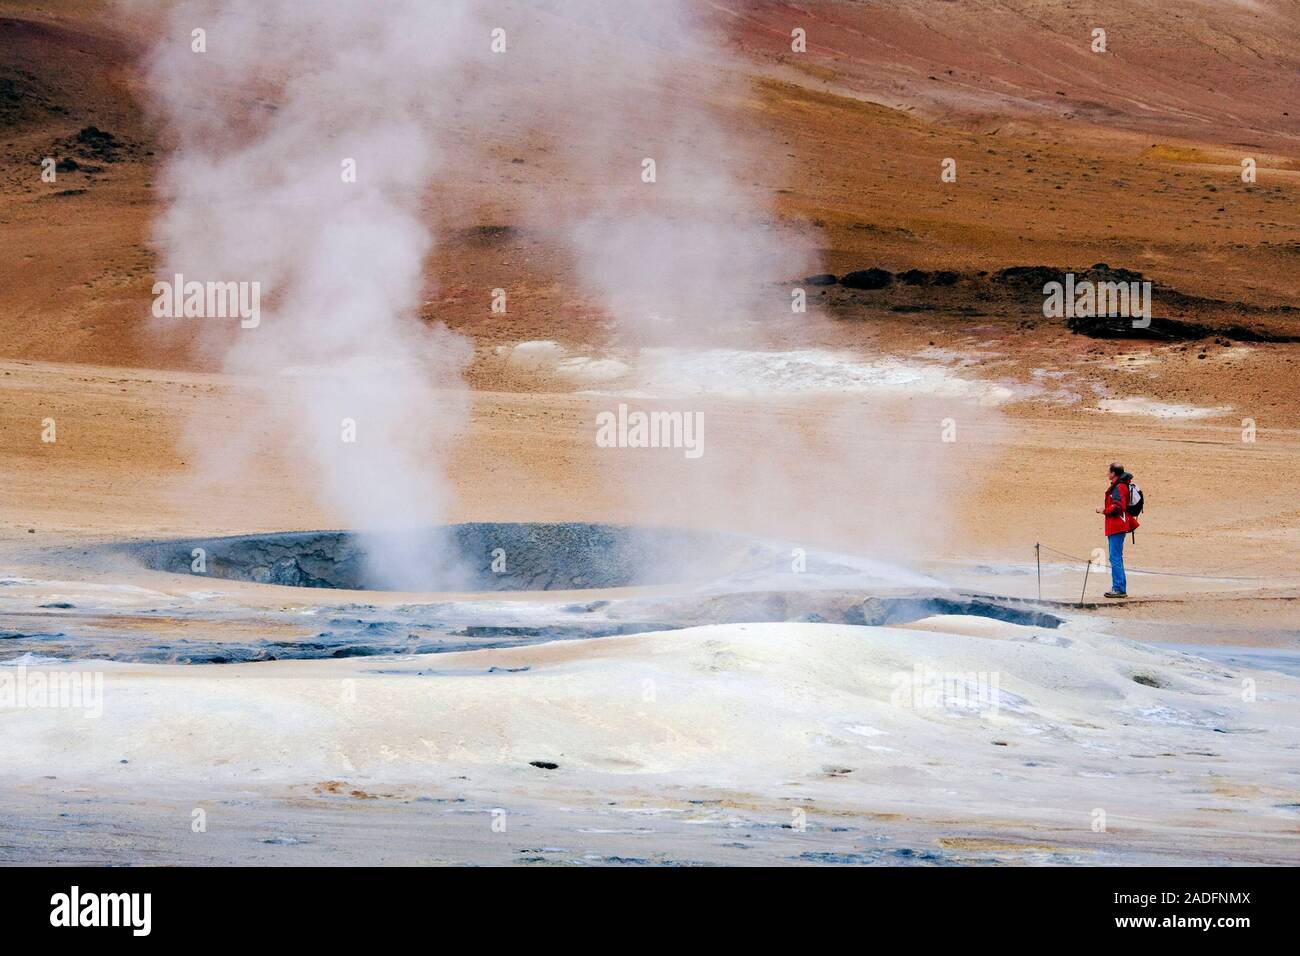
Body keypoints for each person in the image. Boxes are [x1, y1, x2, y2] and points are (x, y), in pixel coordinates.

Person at [1096, 461, 1138, 598]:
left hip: (1117, 525)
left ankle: (1119, 589)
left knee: (1115, 557)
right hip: (1117, 525)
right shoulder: (1120, 485)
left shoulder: (1119, 487)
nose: (1107, 473)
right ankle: (1119, 587)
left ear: (1113, 473)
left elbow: (1118, 507)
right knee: (1116, 557)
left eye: (1109, 471)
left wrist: (1104, 510)